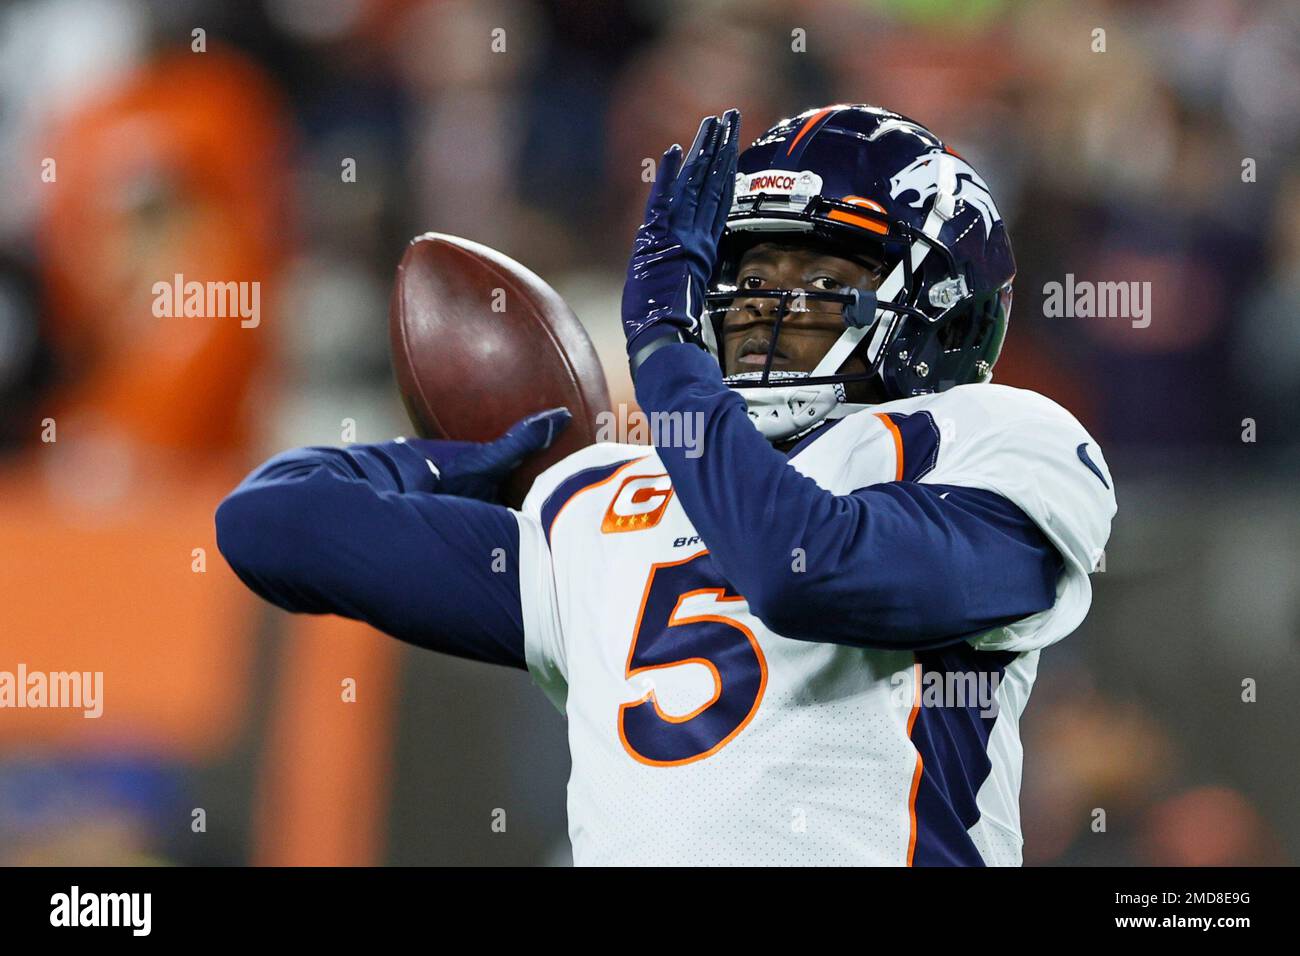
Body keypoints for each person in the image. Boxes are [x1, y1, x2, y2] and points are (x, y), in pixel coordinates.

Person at [217, 105, 1116, 866]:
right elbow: (271, 525)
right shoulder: (604, 495)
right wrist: (456, 462)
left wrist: (667, 359)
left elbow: (803, 568)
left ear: (940, 308)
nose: (769, 304)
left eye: (823, 278)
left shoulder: (985, 440)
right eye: (753, 274)